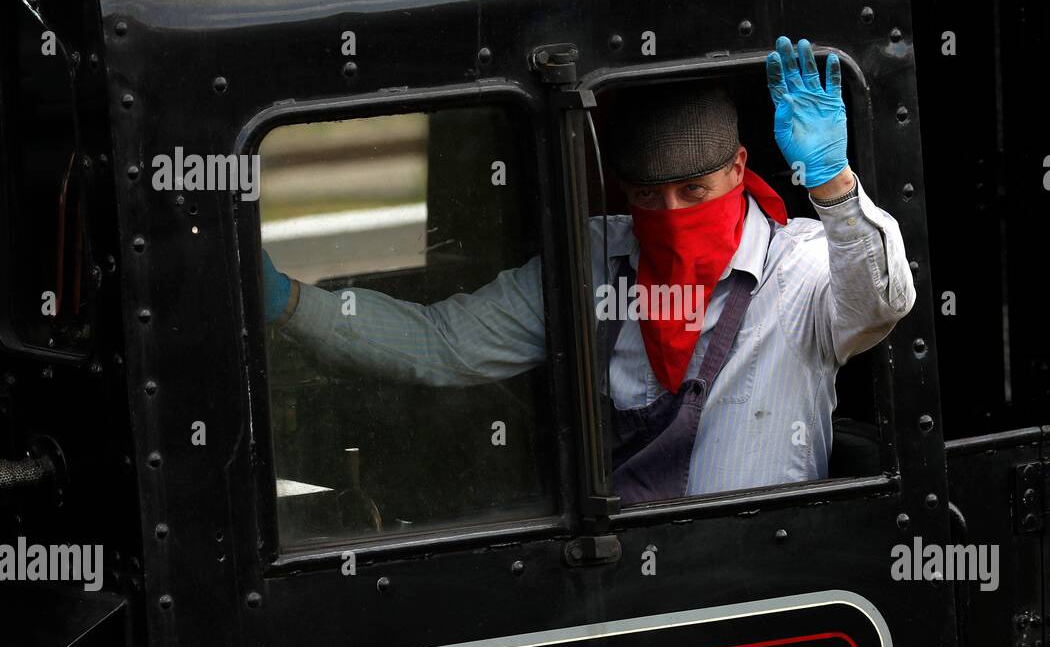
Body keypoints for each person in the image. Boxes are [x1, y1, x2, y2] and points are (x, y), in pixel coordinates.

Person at [261, 37, 915, 501]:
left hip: (756, 583)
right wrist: (289, 302)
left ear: (740, 170)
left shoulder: (800, 269)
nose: (671, 212)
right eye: (647, 198)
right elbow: (443, 344)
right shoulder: (597, 262)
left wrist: (832, 183)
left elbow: (880, 303)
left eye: (695, 193)